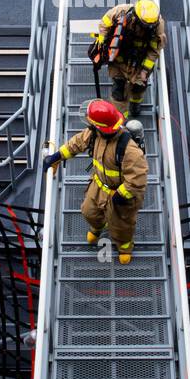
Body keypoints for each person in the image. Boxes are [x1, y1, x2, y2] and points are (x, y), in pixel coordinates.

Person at [44, 100, 148, 266]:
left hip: (119, 193)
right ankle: (98, 227)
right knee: (89, 212)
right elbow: (76, 143)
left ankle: (125, 247)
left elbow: (138, 179)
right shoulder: (94, 134)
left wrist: (120, 196)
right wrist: (56, 156)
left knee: (121, 225)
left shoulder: (129, 150)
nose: (90, 126)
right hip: (98, 186)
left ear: (103, 127)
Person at [90, 0, 164, 118]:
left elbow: (154, 50)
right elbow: (104, 24)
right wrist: (101, 44)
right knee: (118, 89)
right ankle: (120, 118)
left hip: (140, 61)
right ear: (136, 16)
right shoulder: (120, 12)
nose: (148, 28)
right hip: (119, 58)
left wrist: (145, 70)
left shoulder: (158, 24)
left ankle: (135, 105)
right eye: (144, 25)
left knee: (139, 87)